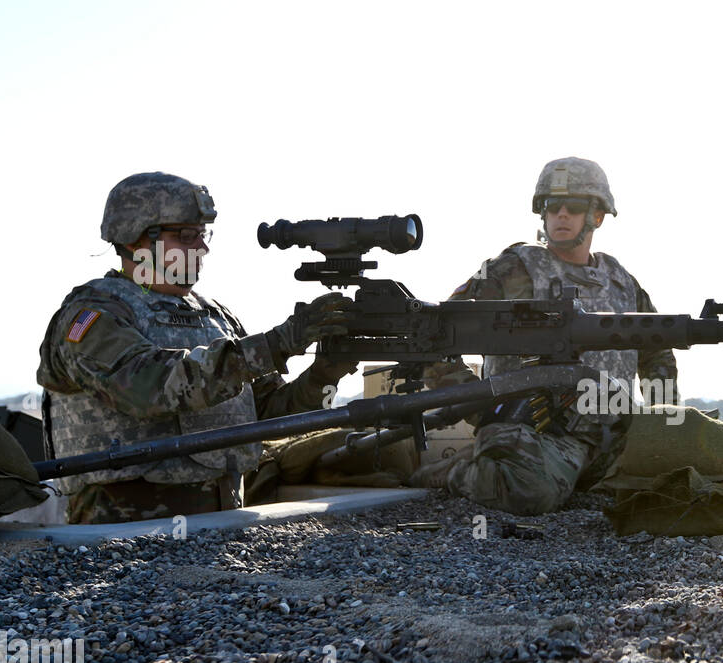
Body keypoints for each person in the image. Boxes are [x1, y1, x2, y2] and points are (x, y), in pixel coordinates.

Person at [37, 172, 355, 524]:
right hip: (123, 534)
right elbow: (149, 387)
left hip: (225, 520)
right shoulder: (94, 315)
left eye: (203, 236)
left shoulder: (216, 316)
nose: (201, 248)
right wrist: (277, 345)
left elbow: (268, 415)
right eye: (187, 236)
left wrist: (326, 374)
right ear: (135, 238)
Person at [416, 157, 679, 515]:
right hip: (539, 436)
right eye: (553, 207)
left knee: (692, 468)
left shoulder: (621, 282)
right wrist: (485, 408)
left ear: (597, 216)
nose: (562, 215)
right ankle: (450, 471)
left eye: (574, 207)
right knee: (529, 491)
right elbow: (435, 335)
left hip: (613, 436)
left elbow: (656, 350)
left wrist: (661, 419)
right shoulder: (512, 270)